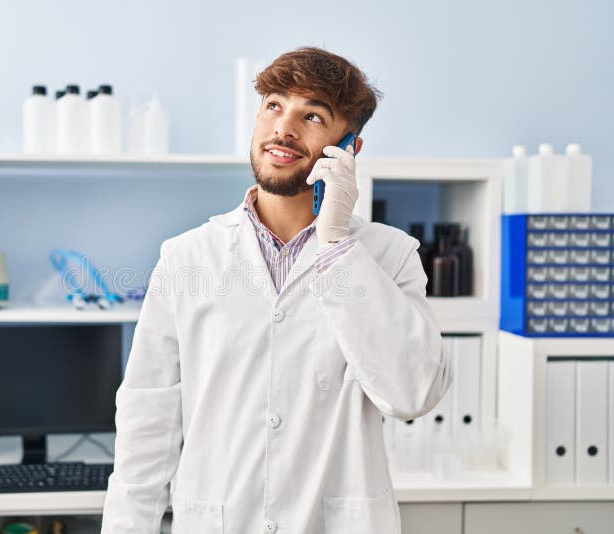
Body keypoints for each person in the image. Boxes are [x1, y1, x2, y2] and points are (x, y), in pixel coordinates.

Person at [102, 47, 451, 534]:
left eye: (311, 115)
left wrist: (336, 245)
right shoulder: (186, 258)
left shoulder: (389, 257)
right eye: (273, 105)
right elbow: (147, 424)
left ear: (348, 148)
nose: (283, 128)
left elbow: (413, 392)